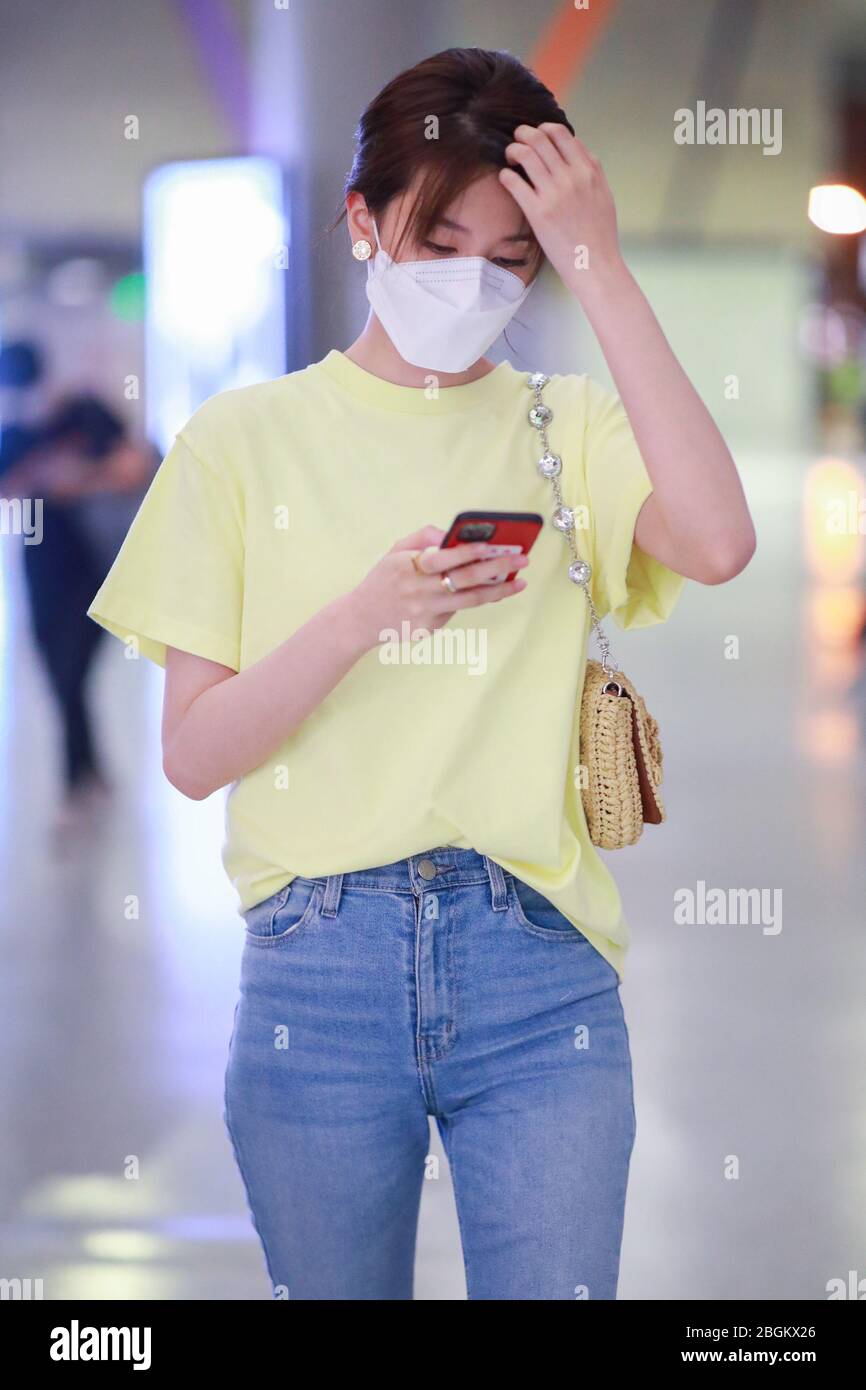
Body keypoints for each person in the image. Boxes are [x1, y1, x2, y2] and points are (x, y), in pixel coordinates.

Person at [87, 48, 756, 1300]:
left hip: (538, 965)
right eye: (439, 239)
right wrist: (362, 618)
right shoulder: (241, 443)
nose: (473, 280)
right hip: (316, 969)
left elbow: (716, 539)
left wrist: (599, 265)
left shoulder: (566, 425)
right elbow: (192, 755)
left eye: (511, 258)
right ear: (360, 222)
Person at [0, 340, 154, 828]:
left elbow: (138, 462)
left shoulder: (83, 412)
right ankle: (90, 774)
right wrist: (42, 478)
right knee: (62, 679)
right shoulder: (15, 434)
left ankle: (76, 784)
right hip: (41, 571)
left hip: (93, 567)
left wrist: (78, 478)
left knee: (73, 674)